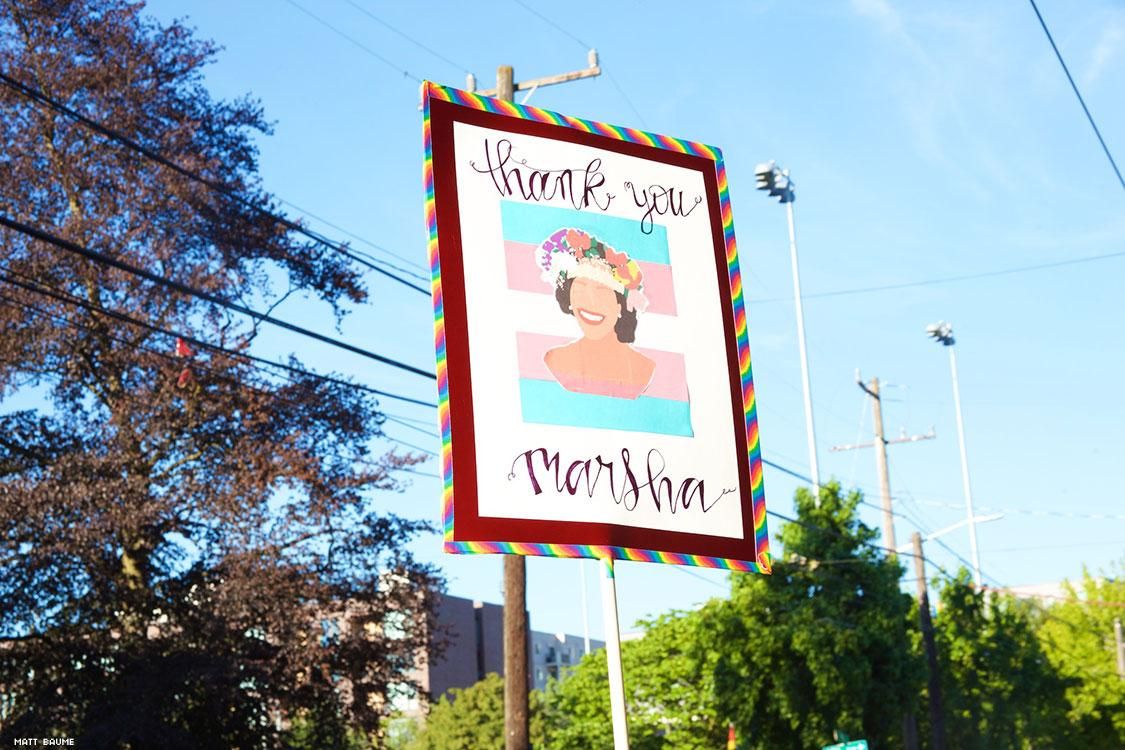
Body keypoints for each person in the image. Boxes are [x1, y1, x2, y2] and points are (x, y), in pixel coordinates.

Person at [536, 228, 655, 400]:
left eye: (601, 291)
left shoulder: (644, 369)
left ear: (621, 306)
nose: (590, 303)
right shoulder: (557, 359)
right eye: (580, 289)